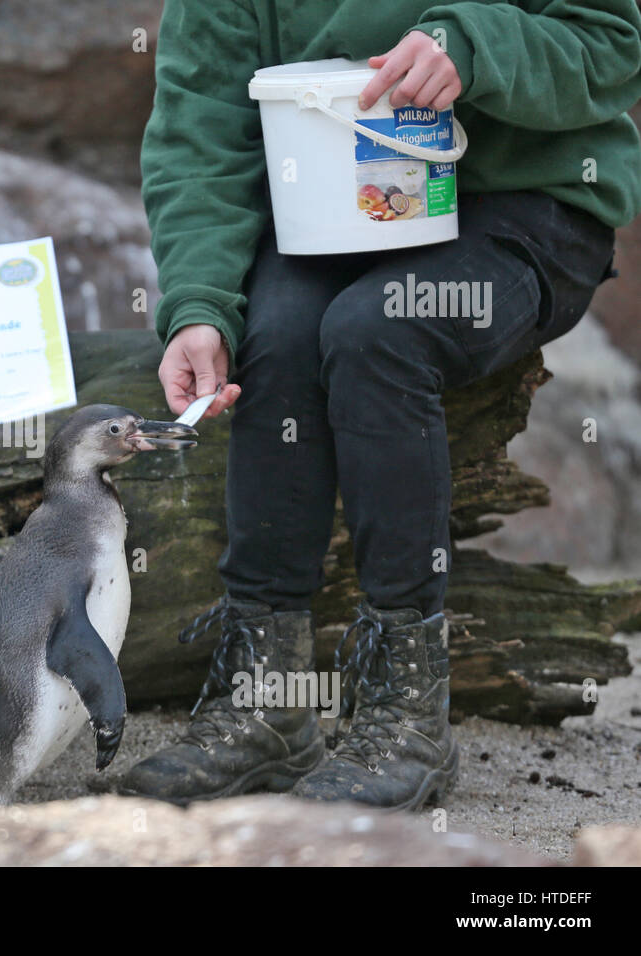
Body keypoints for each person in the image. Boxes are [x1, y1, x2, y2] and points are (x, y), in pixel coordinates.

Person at [122, 0, 641, 809]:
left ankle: (408, 713)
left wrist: (474, 48)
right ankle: (269, 702)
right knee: (279, 333)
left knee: (378, 331)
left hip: (524, 204)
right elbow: (201, 125)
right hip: (337, 203)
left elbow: (611, 45)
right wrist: (197, 305)